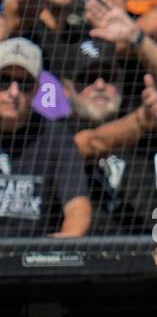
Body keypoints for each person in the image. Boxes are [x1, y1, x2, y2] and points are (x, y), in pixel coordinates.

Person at [56, 36, 157, 234]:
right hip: (86, 254)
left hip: (145, 249)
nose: (100, 85)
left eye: (109, 76)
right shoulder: (55, 133)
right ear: (67, 90)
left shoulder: (141, 114)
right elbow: (91, 143)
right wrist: (142, 120)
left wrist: (137, 36)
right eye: (87, 78)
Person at [0, 36, 90, 236]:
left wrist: (60, 248)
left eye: (24, 83)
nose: (13, 92)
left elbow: (78, 206)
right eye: (3, 81)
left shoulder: (55, 138)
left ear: (37, 90)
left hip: (31, 258)